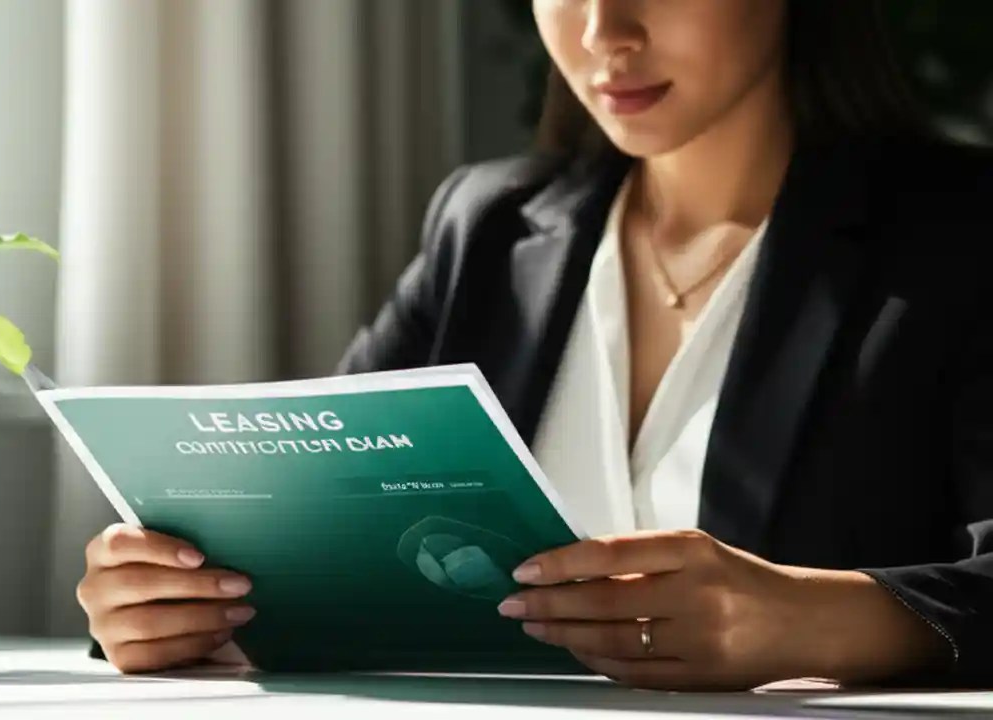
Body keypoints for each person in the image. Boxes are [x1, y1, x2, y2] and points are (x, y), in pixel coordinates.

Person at [76, 0, 993, 690]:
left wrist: (813, 622)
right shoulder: (487, 226)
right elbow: (312, 525)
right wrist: (170, 600)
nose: (603, 31)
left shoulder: (957, 235)